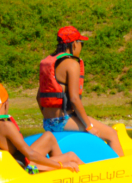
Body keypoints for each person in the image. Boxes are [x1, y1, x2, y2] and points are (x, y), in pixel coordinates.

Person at [37, 26, 124, 156]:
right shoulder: (71, 64)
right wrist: (89, 127)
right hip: (64, 121)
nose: (81, 47)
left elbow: (39, 97)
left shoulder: (48, 63)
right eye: (81, 43)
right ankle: (122, 170)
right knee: (112, 134)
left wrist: (48, 118)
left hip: (48, 122)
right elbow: (74, 99)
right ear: (74, 44)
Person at [0, 84, 83, 173]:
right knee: (71, 156)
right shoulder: (6, 126)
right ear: (5, 103)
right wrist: (61, 165)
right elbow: (30, 155)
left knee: (48, 136)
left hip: (8, 168)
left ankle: (60, 177)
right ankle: (85, 175)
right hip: (22, 171)